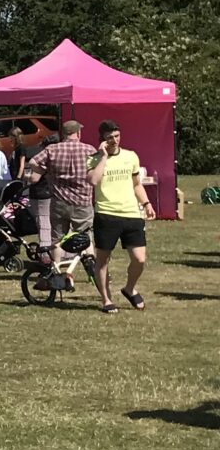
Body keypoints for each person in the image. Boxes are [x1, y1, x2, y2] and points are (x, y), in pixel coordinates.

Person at [87, 120, 155, 314]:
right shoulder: (93, 159)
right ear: (102, 139)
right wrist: (103, 156)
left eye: (116, 136)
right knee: (103, 259)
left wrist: (146, 203)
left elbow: (136, 184)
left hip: (131, 214)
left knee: (139, 259)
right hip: (106, 214)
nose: (114, 140)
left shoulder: (131, 156)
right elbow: (93, 180)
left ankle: (129, 288)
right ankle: (106, 300)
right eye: (109, 138)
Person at [26, 120, 96, 257]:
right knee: (86, 238)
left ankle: (56, 267)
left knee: (57, 239)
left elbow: (33, 161)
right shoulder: (89, 150)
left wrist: (44, 171)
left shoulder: (52, 149)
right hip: (82, 201)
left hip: (59, 201)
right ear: (78, 133)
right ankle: (92, 271)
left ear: (63, 134)